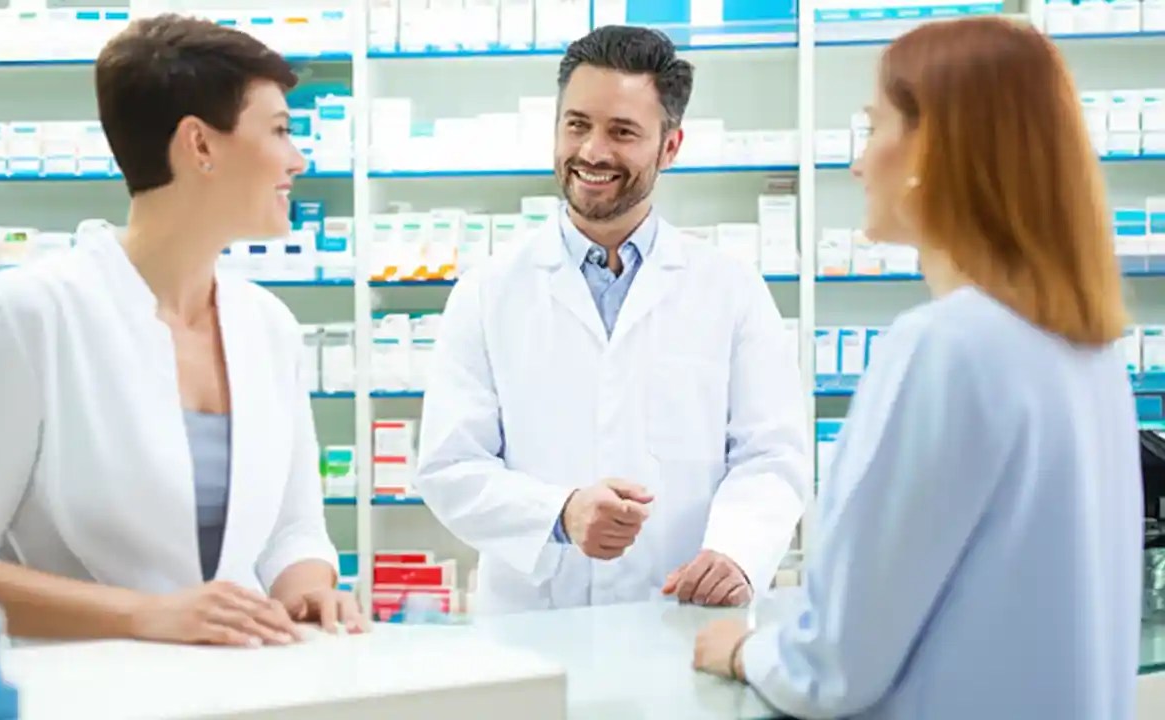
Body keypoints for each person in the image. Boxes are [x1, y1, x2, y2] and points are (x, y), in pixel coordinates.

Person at [692, 16, 1143, 719]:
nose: (857, 162)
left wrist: (744, 649)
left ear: (936, 146)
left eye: (873, 128)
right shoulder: (1091, 349)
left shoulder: (947, 348)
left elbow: (836, 665)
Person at [0, 14, 366, 646]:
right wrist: (145, 615)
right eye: (280, 131)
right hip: (82, 694)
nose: (299, 158)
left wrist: (307, 585)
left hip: (245, 688)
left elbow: (294, 530)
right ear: (199, 144)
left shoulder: (269, 326)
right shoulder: (30, 313)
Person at [414, 25, 811, 616]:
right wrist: (560, 512)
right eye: (577, 124)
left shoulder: (730, 289)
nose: (593, 152)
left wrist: (735, 552)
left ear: (670, 147)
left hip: (681, 614)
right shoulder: (488, 289)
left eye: (622, 131)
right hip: (534, 625)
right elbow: (449, 466)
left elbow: (772, 456)